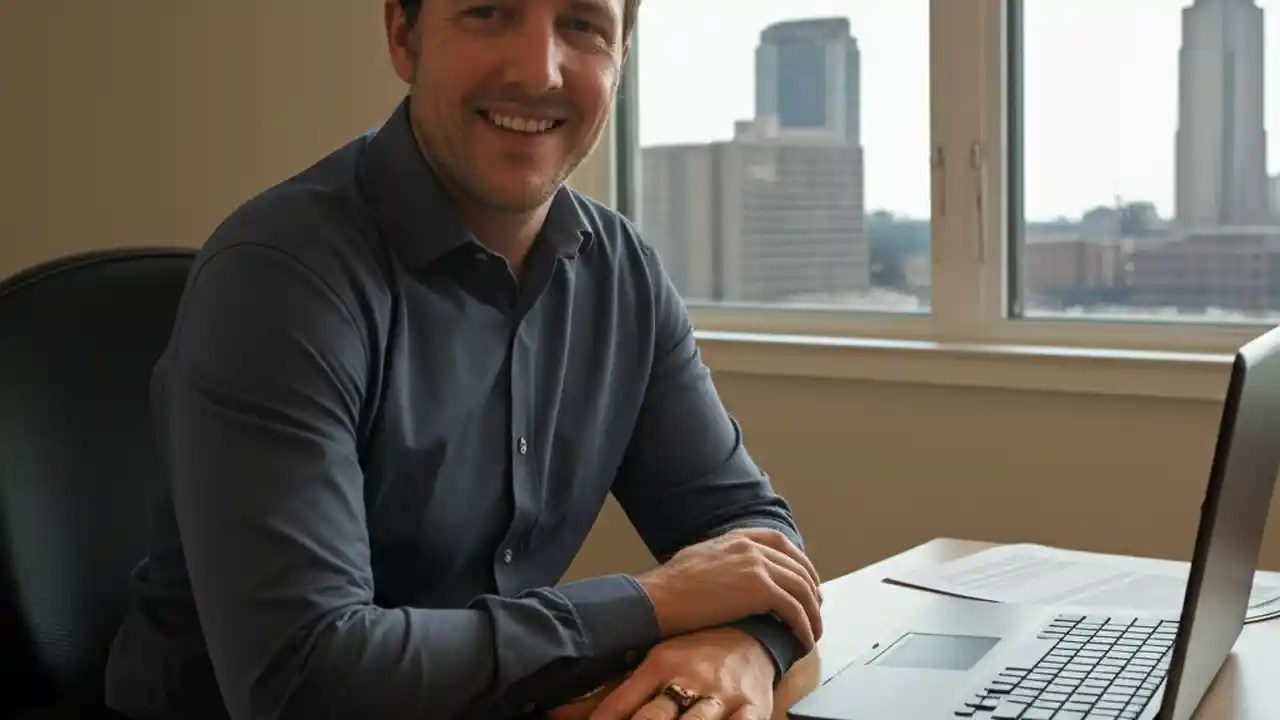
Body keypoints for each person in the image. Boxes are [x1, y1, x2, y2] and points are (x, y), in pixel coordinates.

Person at [103, 1, 823, 718]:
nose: (540, 72)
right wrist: (652, 605)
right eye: (489, 12)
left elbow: (749, 534)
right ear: (401, 36)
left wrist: (738, 645)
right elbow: (303, 680)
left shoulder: (620, 272)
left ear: (620, 58)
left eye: (582, 26)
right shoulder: (280, 277)